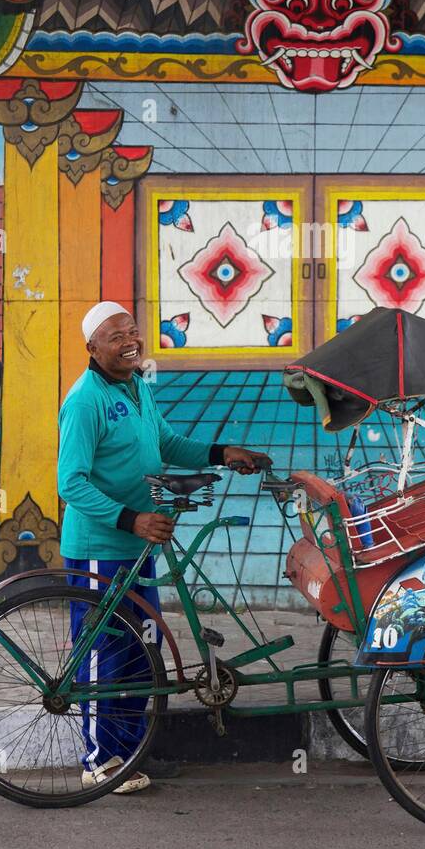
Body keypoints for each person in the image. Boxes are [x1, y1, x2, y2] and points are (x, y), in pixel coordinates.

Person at [58, 300, 268, 793]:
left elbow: (167, 443)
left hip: (137, 545)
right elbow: (71, 482)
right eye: (116, 336)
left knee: (141, 649)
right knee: (104, 650)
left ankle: (128, 752)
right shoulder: (85, 401)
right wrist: (130, 518)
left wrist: (221, 453)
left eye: (132, 331)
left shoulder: (135, 386)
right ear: (91, 348)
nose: (130, 341)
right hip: (101, 546)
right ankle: (98, 760)